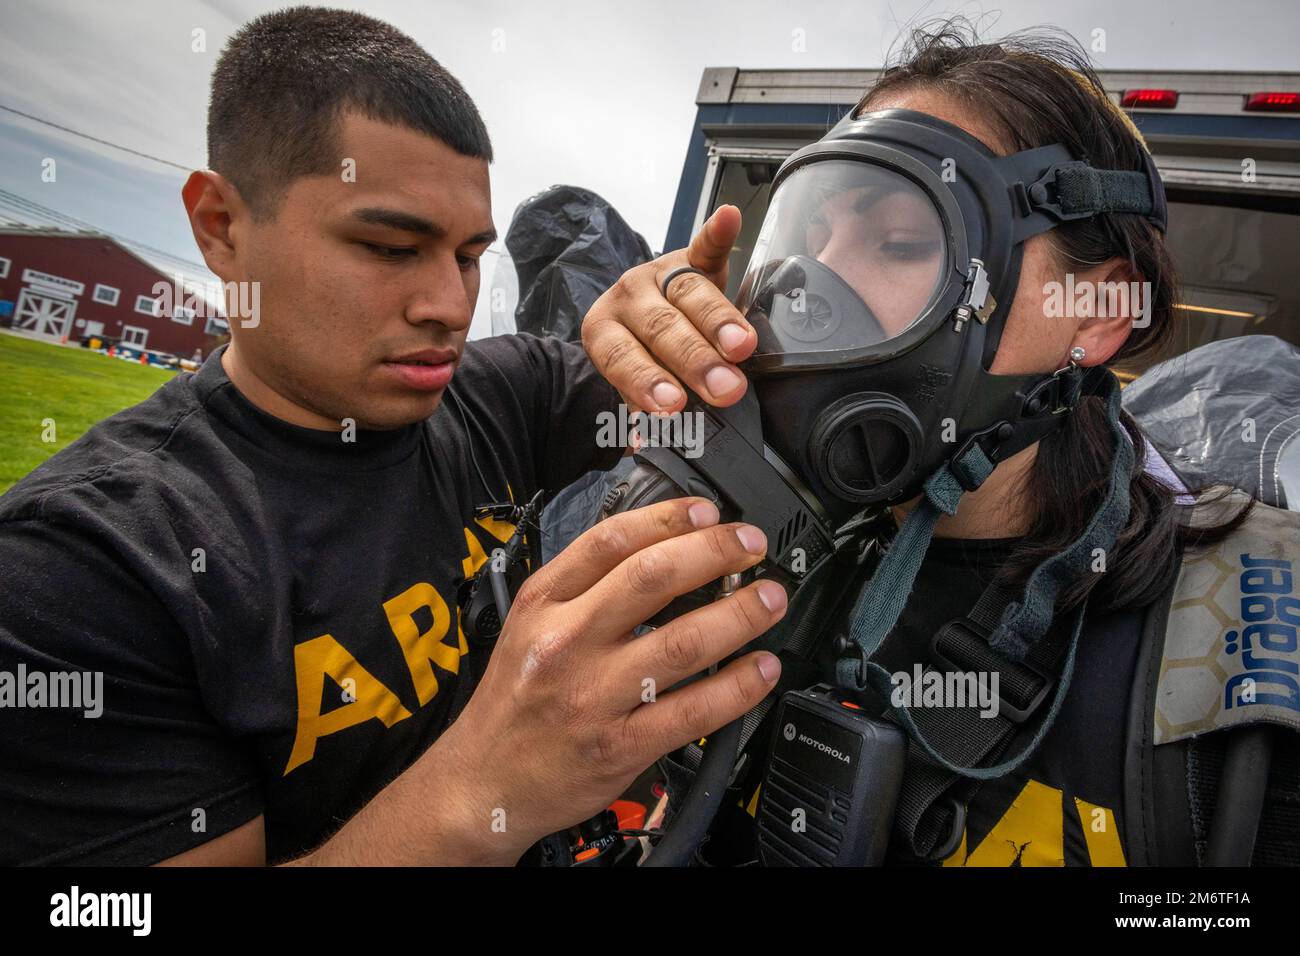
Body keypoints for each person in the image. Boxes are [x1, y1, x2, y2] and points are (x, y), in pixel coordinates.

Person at [0, 7, 778, 866]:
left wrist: (692, 329)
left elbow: (734, 411)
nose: (447, 304)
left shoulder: (503, 393)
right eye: (386, 245)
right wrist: (485, 791)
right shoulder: (83, 568)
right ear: (221, 227)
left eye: (469, 256)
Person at [582, 23, 1298, 866]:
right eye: (809, 242)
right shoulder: (763, 543)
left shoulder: (1250, 635)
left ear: (1096, 315)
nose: (812, 290)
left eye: (902, 242)